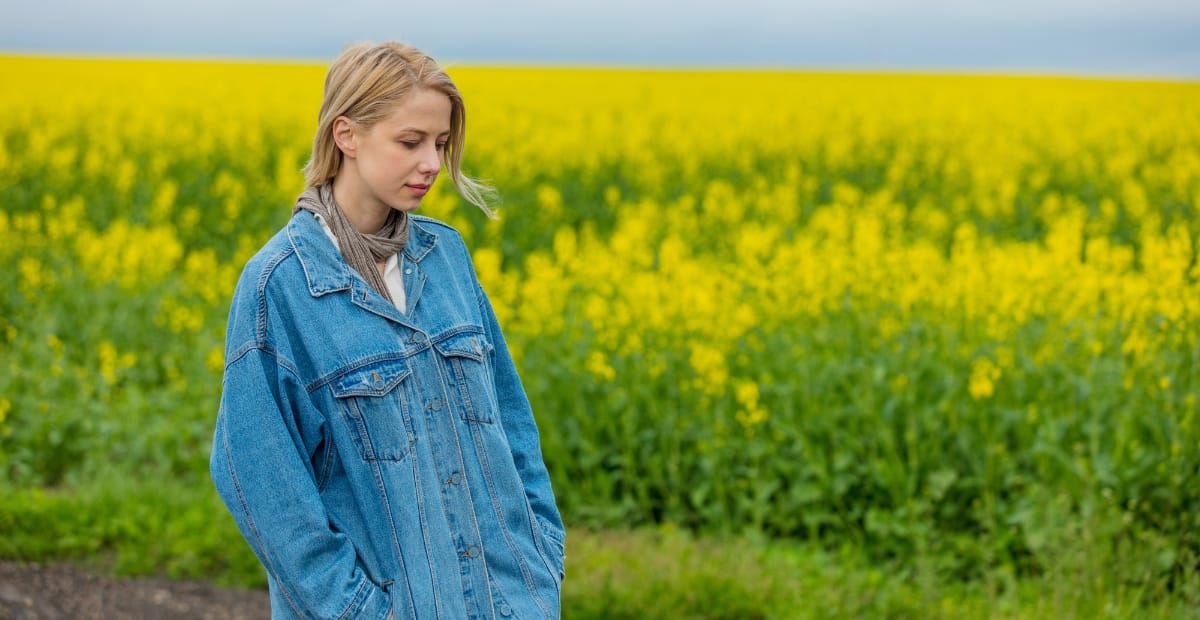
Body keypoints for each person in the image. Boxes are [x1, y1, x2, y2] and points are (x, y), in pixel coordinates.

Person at [209, 41, 565, 619]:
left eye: (441, 144)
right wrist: (357, 610)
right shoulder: (281, 286)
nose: (432, 163)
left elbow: (511, 426)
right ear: (346, 135)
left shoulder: (445, 256)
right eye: (410, 141)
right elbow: (260, 484)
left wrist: (540, 559)